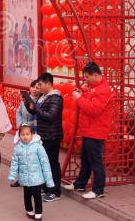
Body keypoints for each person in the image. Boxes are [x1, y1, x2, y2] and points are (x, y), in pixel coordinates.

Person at [70, 62, 114, 199]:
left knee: (96, 161)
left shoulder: (104, 90)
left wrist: (79, 98)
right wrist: (83, 92)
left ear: (96, 75)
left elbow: (94, 110)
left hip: (96, 131)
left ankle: (98, 189)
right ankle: (80, 183)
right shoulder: (95, 87)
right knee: (86, 159)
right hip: (89, 129)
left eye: (87, 77)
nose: (86, 79)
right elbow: (90, 101)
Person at [25, 72, 63, 202]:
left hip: (52, 136)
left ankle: (55, 190)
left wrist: (35, 109)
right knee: (43, 162)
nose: (39, 87)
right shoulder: (43, 96)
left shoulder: (55, 98)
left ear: (48, 83)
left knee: (52, 163)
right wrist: (28, 104)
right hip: (43, 135)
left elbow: (51, 116)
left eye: (40, 85)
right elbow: (37, 113)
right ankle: (47, 188)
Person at [8, 125, 54, 221]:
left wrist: (49, 180)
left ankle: (38, 214)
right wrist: (12, 176)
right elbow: (14, 163)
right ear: (19, 135)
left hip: (37, 179)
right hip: (24, 178)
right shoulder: (18, 148)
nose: (25, 136)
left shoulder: (38, 147)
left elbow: (45, 163)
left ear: (32, 135)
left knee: (37, 196)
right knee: (27, 196)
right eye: (23, 134)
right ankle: (29, 211)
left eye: (27, 134)